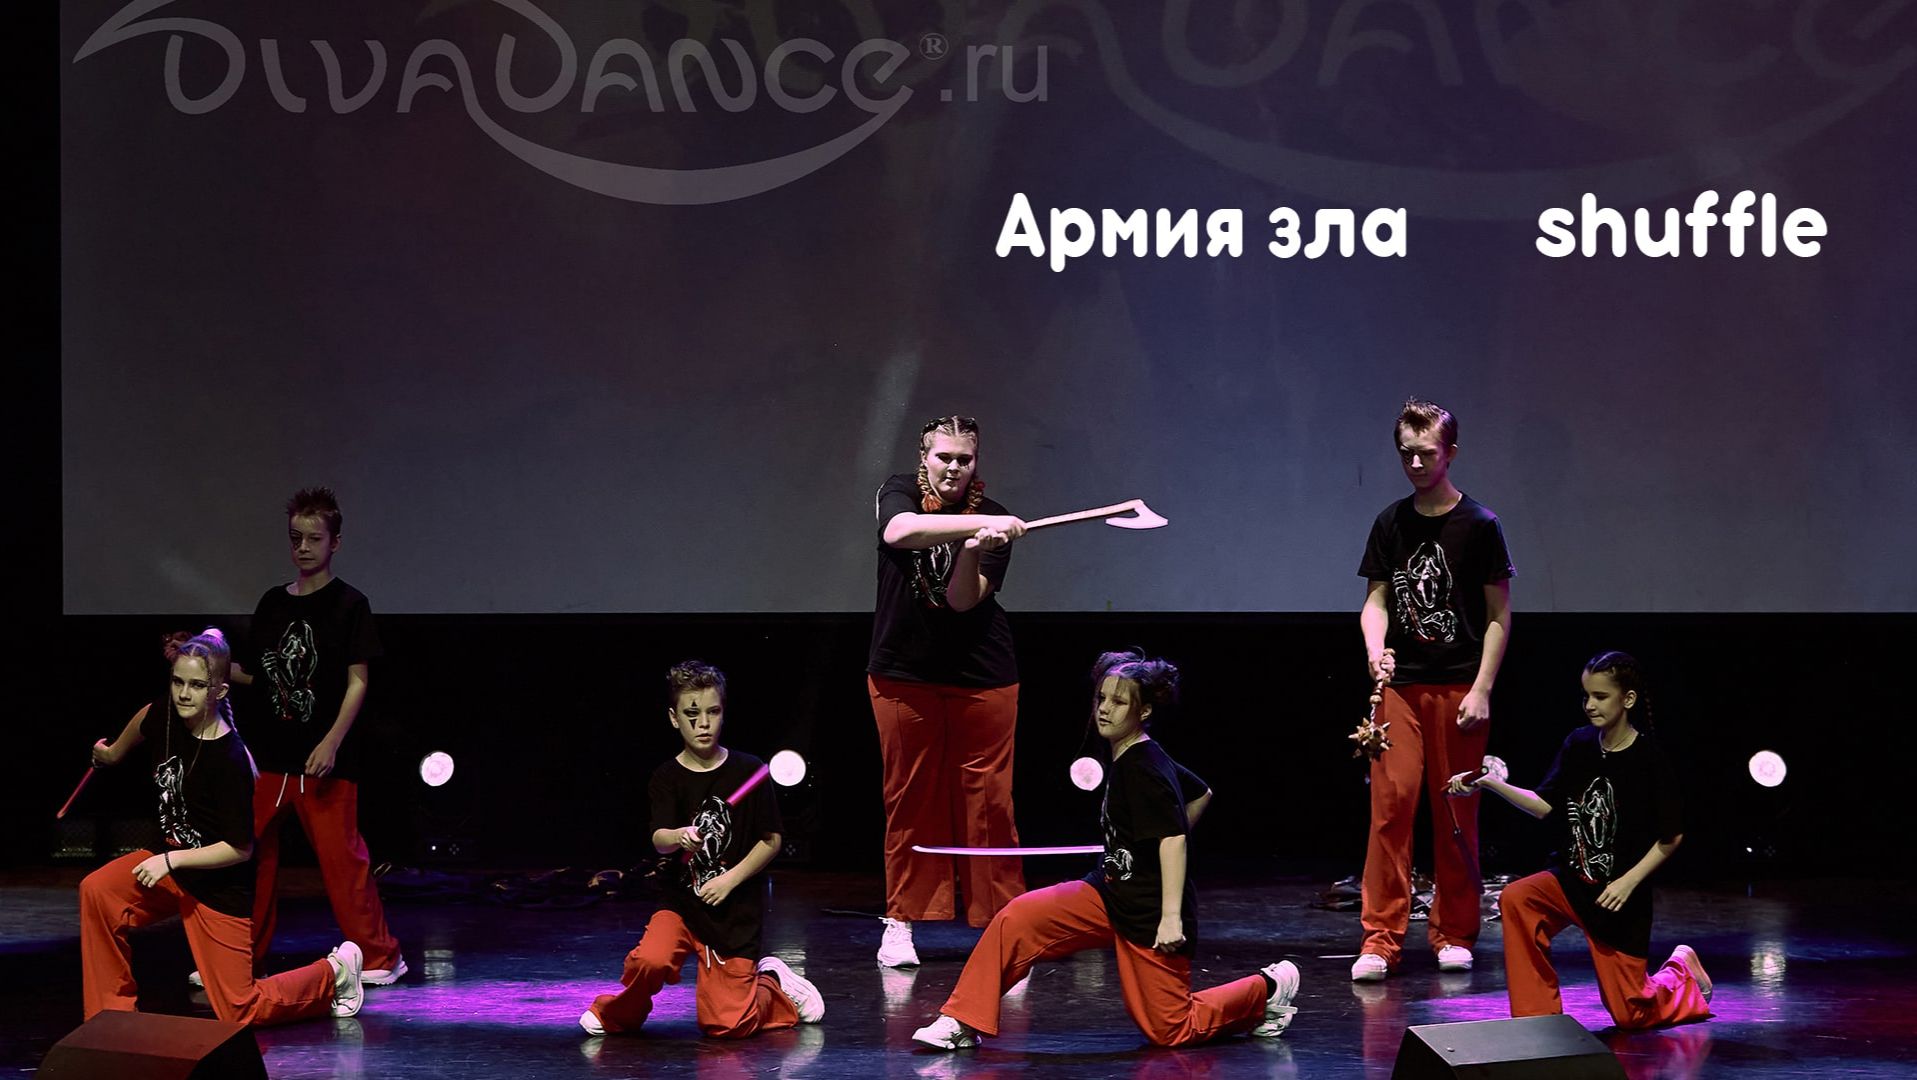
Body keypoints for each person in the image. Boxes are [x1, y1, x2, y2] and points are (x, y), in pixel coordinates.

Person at [912, 651, 1299, 1050]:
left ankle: (1267, 989)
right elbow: (1202, 792)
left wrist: (1169, 917)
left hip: (1147, 912)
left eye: (1119, 701)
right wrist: (1141, 846)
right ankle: (960, 1020)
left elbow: (1173, 839)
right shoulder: (1135, 755)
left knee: (1170, 1028)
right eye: (1101, 698)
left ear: (1144, 711)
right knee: (1017, 919)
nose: (1104, 709)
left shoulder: (1142, 768)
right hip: (1108, 892)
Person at [81, 630, 363, 1024]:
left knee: (239, 1009)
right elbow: (146, 717)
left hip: (217, 887)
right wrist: (112, 754)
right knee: (98, 891)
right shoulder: (165, 714)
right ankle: (111, 1016)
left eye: (197, 685)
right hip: (173, 867)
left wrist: (171, 860)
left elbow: (240, 849)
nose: (184, 694)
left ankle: (334, 975)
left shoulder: (230, 760)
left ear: (220, 691)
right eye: (178, 682)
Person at [1452, 651, 1712, 1028]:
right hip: (1571, 882)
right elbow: (1544, 805)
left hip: (1616, 900)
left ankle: (1680, 972)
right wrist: (1490, 783)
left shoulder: (1649, 760)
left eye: (1600, 696)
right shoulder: (1579, 744)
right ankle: (1537, 1018)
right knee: (1518, 899)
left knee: (1632, 1014)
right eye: (1586, 695)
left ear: (1628, 699)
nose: (1590, 705)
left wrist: (1627, 882)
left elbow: (1671, 838)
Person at [1354, 398, 1514, 980]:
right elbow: (1376, 601)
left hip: (1459, 685)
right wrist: (1376, 651)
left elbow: (1498, 615)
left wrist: (1482, 688)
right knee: (1391, 808)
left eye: (1425, 453)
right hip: (1402, 688)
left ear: (1450, 452)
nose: (1416, 464)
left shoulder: (1481, 525)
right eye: (1406, 454)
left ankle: (1454, 932)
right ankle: (1380, 939)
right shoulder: (1390, 522)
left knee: (1456, 810)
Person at [579, 661, 823, 1037]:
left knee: (726, 1024)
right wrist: (679, 835)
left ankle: (774, 988)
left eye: (713, 712)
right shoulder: (666, 777)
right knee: (650, 960)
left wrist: (729, 880)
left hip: (732, 915)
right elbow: (659, 838)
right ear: (674, 718)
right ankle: (620, 1013)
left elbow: (771, 840)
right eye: (692, 715)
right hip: (682, 904)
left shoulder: (750, 770)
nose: (703, 724)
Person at [225, 487, 404, 986]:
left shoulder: (349, 605)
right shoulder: (272, 602)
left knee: (342, 860)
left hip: (324, 760)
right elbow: (258, 675)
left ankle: (381, 956)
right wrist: (209, 664)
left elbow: (358, 681)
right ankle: (241, 958)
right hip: (268, 757)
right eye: (295, 538)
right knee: (249, 856)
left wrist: (331, 742)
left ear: (335, 542)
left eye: (314, 538)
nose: (303, 547)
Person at [868, 416, 1027, 966]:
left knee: (990, 802)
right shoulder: (899, 493)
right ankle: (901, 920)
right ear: (925, 457)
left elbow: (962, 600)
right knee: (909, 797)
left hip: (982, 675)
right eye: (944, 457)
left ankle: (1004, 928)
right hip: (902, 672)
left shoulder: (995, 520)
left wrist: (975, 547)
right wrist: (975, 527)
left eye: (965, 459)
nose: (954, 468)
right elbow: (899, 533)